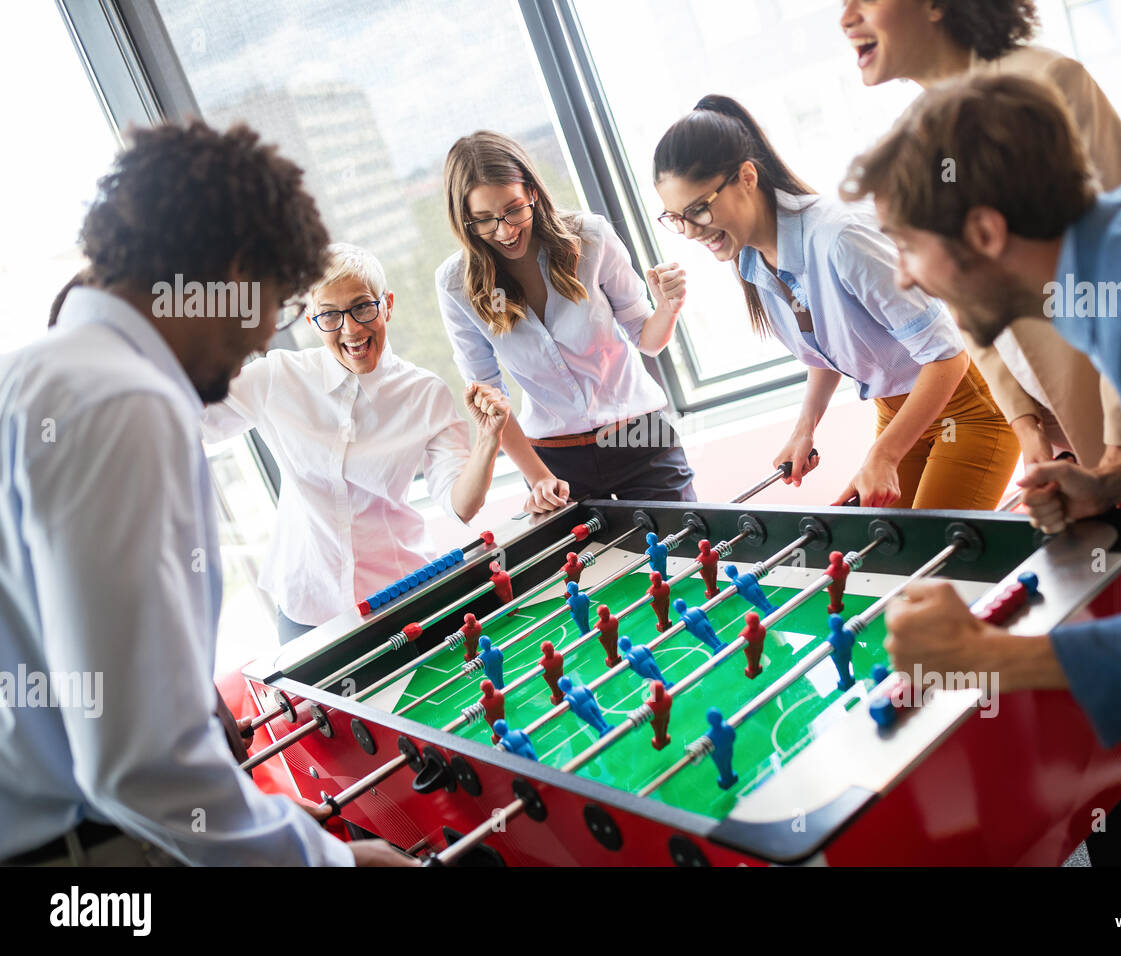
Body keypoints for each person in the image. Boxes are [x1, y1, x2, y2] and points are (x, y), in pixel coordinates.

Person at [846, 74, 1121, 860]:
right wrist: (1117, 480)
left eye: (911, 247)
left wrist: (986, 661)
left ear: (986, 231)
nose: (906, 277)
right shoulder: (1118, 255)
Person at [0, 120, 411, 866]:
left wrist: (257, 819)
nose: (265, 339)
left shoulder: (30, 373)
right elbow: (139, 761)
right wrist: (329, 864)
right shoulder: (122, 400)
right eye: (280, 306)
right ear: (235, 270)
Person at [652, 96, 1018, 508]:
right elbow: (823, 349)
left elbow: (948, 356)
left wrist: (883, 454)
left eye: (698, 209)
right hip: (899, 410)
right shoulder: (754, 262)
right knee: (886, 558)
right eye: (675, 217)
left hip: (965, 407)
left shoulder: (838, 239)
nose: (690, 231)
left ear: (747, 177)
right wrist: (804, 428)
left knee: (930, 563)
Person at [202, 242, 510, 644]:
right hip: (306, 605)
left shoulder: (425, 393)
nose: (350, 329)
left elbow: (461, 505)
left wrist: (489, 439)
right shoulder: (276, 377)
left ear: (388, 305)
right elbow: (192, 422)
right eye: (330, 314)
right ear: (312, 321)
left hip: (403, 593)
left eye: (363, 307)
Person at [436, 131, 695, 512]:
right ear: (465, 220)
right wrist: (538, 476)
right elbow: (492, 400)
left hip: (640, 435)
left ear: (533, 192)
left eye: (513, 209)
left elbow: (648, 339)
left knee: (684, 557)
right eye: (485, 220)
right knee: (587, 571)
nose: (505, 231)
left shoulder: (591, 237)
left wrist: (667, 306)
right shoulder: (456, 284)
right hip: (552, 460)